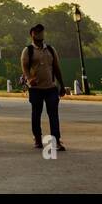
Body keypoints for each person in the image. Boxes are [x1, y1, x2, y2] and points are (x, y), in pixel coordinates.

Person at [20, 23, 67, 152]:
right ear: (32, 35)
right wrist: (29, 79)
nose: (39, 34)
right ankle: (37, 138)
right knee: (36, 114)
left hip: (51, 87)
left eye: (41, 32)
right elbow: (24, 67)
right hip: (36, 89)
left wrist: (62, 85)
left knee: (53, 115)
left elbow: (56, 68)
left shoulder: (51, 50)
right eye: (36, 32)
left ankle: (56, 140)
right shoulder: (28, 50)